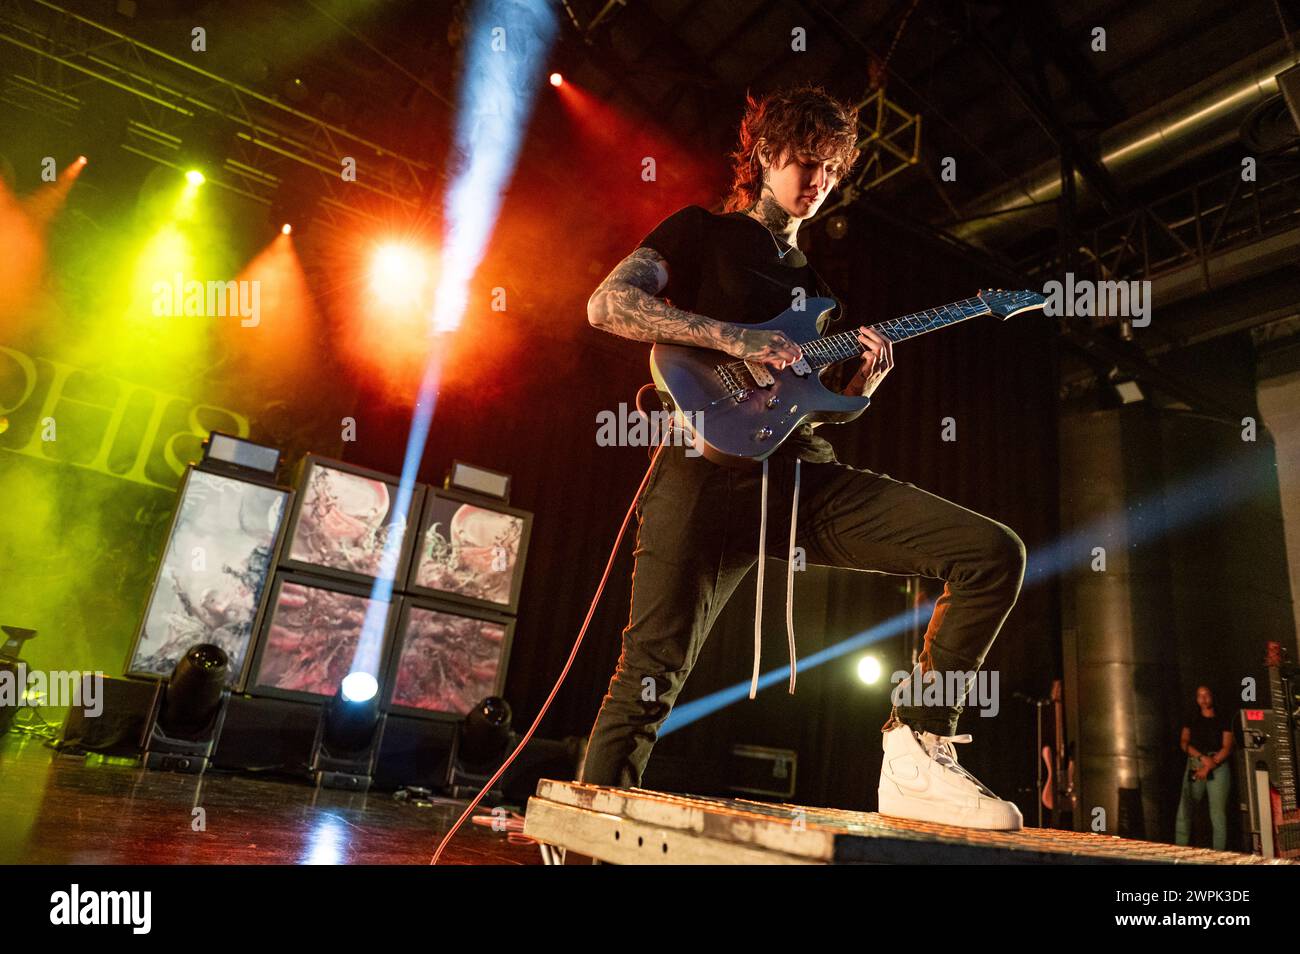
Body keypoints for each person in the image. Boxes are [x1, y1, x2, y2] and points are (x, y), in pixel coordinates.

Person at [578, 84, 1028, 830]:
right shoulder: (700, 231)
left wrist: (856, 389)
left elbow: (797, 402)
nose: (819, 179)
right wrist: (736, 338)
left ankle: (916, 747)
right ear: (764, 154)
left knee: (992, 553)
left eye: (832, 167)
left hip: (798, 478)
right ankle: (589, 841)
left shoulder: (816, 292)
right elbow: (608, 305)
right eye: (806, 160)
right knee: (650, 676)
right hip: (700, 476)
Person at [1175, 685, 1234, 850]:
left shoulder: (1223, 718)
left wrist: (1208, 766)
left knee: (1218, 813)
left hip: (1217, 765)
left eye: (1206, 694)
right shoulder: (1192, 717)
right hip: (1196, 762)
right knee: (1185, 808)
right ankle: (1179, 850)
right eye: (1200, 696)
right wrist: (1201, 758)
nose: (1203, 699)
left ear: (1212, 696)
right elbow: (1184, 742)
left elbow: (1227, 747)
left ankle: (1219, 854)